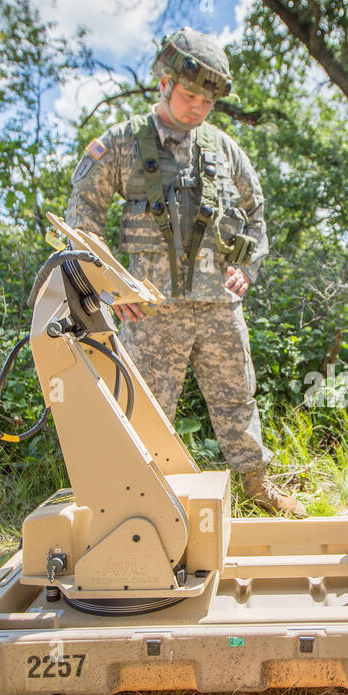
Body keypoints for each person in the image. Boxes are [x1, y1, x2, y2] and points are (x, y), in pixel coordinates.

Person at [66, 27, 304, 517]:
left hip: (219, 305)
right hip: (150, 311)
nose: (198, 107)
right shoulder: (122, 143)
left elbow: (255, 212)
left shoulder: (222, 148)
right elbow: (82, 218)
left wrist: (247, 266)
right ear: (164, 83)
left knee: (238, 400)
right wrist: (110, 289)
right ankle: (139, 505)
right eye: (190, 94)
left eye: (207, 101)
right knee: (144, 412)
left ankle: (259, 488)